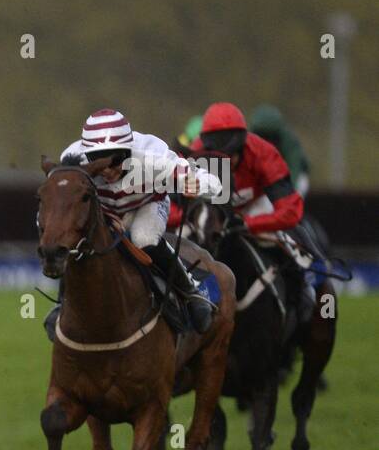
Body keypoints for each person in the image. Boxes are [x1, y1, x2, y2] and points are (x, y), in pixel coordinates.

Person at [46, 109, 224, 338]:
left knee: (143, 238)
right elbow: (56, 205)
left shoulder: (153, 154)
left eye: (116, 159)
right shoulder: (72, 159)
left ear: (129, 151)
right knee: (78, 238)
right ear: (86, 155)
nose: (108, 170)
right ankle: (62, 303)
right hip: (105, 212)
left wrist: (196, 184)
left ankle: (191, 293)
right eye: (98, 161)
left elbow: (218, 184)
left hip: (147, 205)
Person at [186, 101, 314, 320]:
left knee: (291, 246)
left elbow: (292, 210)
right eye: (219, 159)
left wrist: (248, 224)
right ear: (207, 149)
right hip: (212, 210)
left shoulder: (264, 153)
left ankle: (303, 296)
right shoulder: (196, 152)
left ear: (243, 145)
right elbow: (171, 206)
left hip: (253, 207)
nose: (228, 164)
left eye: (232, 155)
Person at [249, 105, 310, 198]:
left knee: (296, 191)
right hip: (267, 177)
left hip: (291, 176)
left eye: (269, 136)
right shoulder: (249, 139)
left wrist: (288, 192)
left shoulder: (288, 140)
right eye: (262, 135)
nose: (266, 141)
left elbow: (294, 167)